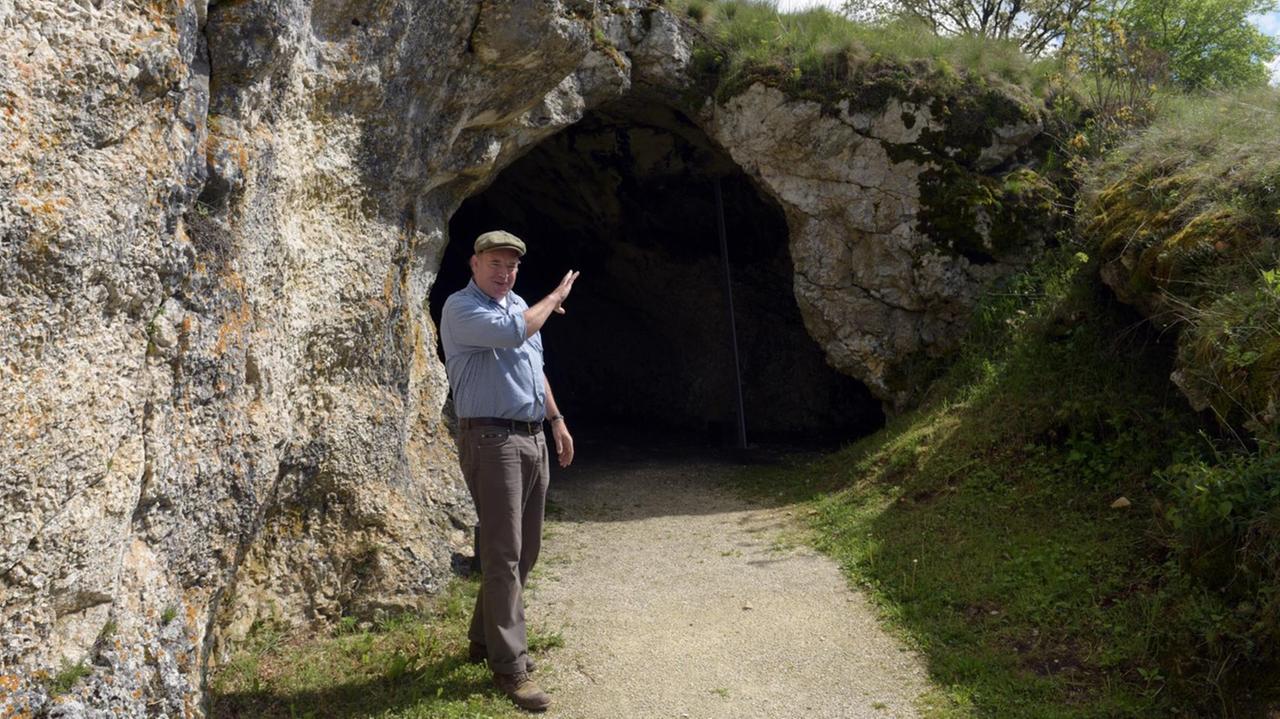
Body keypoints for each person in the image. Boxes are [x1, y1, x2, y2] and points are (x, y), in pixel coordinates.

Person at [439, 229, 579, 712]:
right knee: (503, 553)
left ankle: (484, 640)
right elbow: (518, 332)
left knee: (528, 550)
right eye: (495, 263)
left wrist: (556, 421)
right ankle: (510, 667)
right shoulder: (462, 308)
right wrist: (554, 297)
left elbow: (533, 367)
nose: (505, 273)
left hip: (530, 434)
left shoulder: (516, 304)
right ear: (474, 264)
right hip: (491, 438)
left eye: (512, 265)